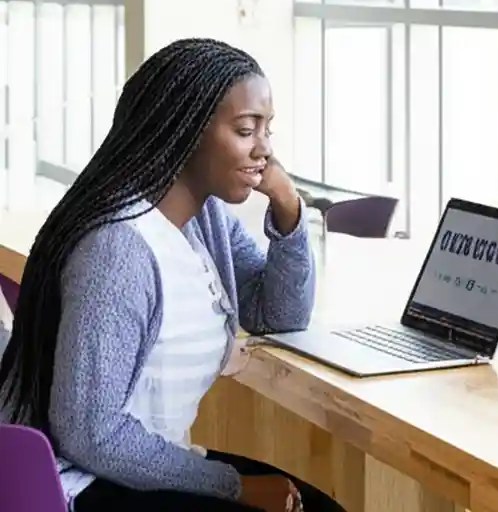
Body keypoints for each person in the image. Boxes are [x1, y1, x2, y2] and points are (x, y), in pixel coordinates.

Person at [0, 38, 344, 512]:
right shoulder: (119, 249)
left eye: (268, 130)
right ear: (186, 130)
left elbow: (277, 315)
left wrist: (288, 205)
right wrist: (234, 486)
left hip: (141, 464)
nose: (265, 149)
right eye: (246, 130)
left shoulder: (204, 221)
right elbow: (89, 435)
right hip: (80, 485)